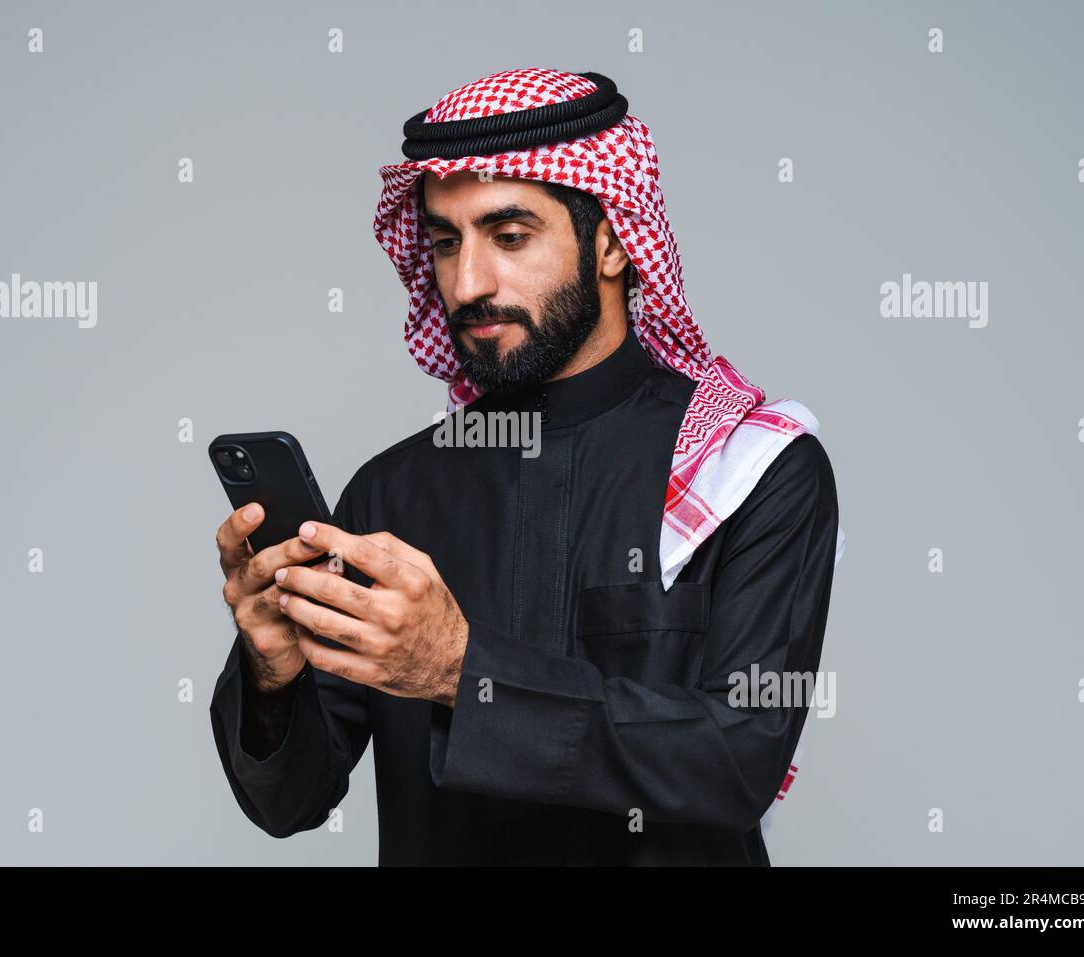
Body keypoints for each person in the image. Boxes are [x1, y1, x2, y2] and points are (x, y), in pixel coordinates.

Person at [209, 68, 843, 865]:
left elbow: (736, 762)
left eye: (509, 236)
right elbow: (290, 801)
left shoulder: (749, 473)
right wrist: (271, 674)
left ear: (611, 240)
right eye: (446, 242)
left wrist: (460, 671)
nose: (467, 282)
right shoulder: (390, 493)